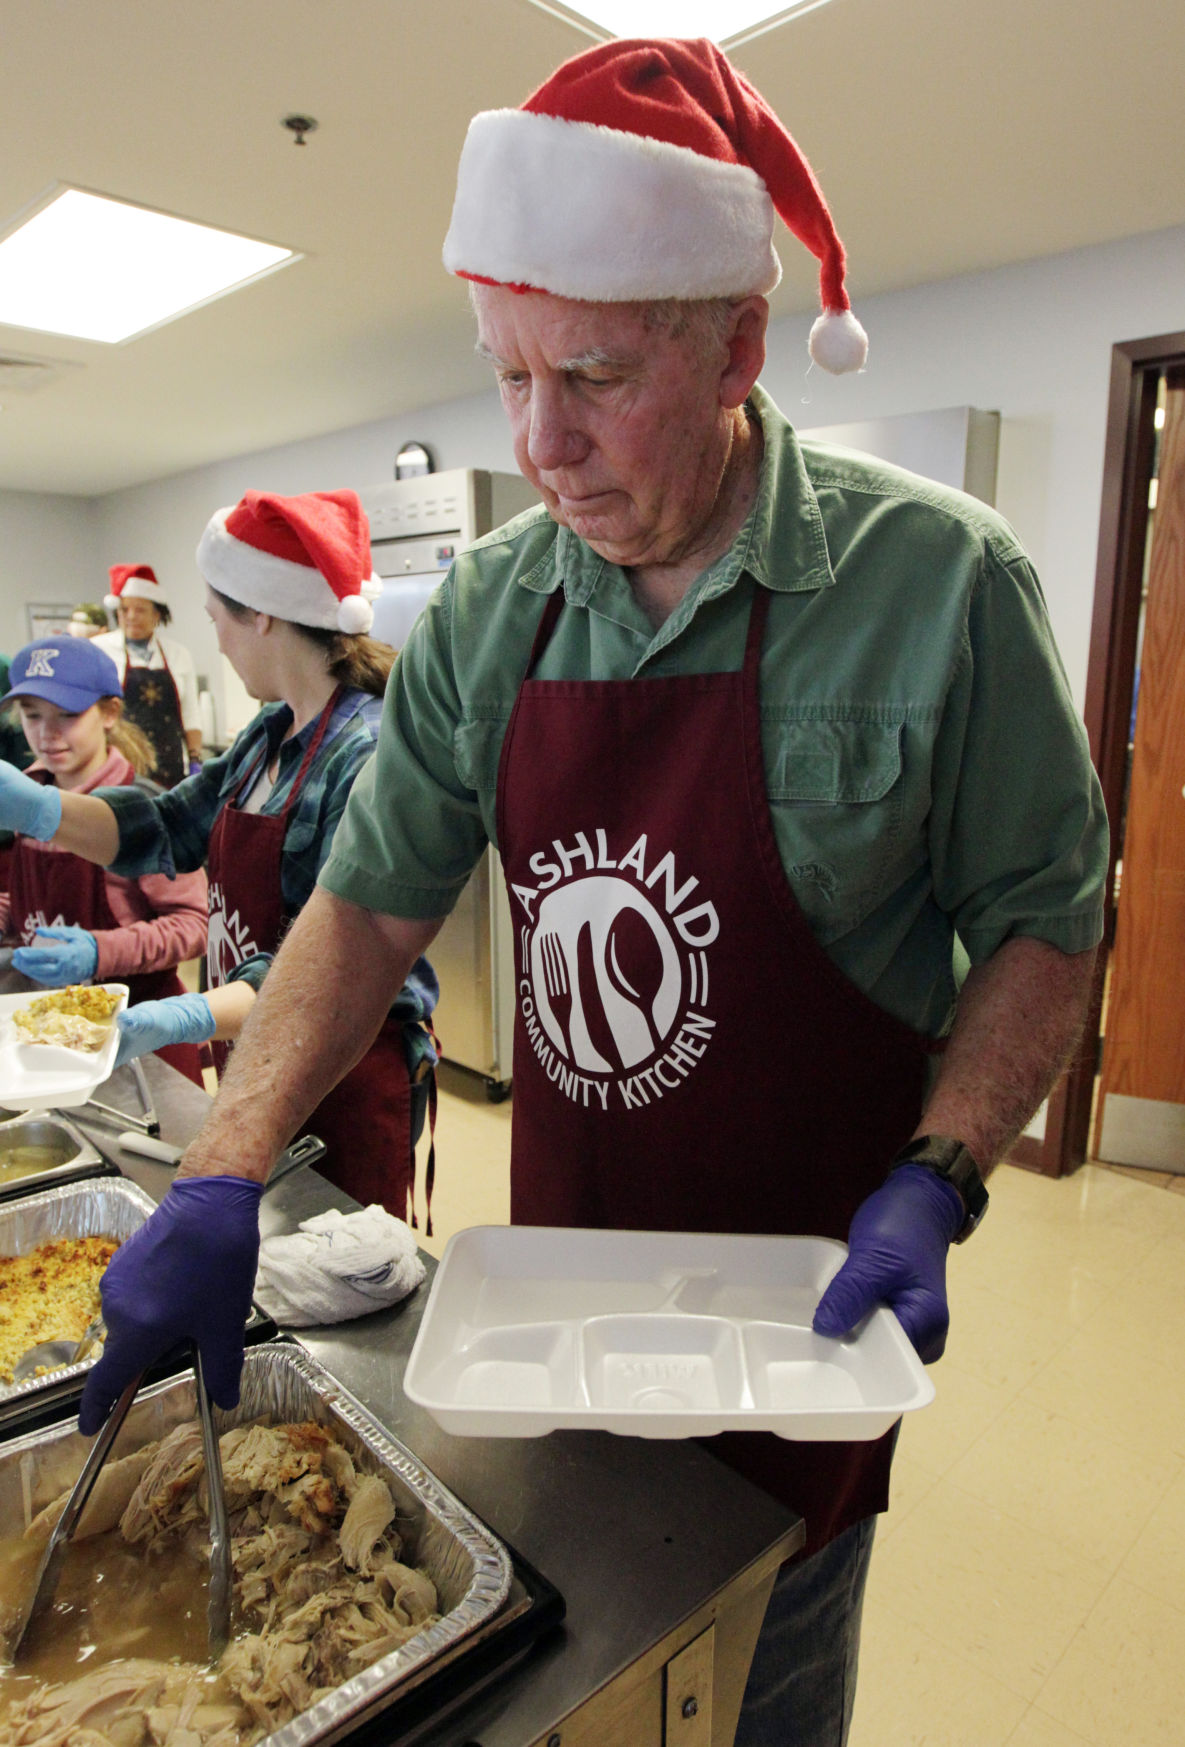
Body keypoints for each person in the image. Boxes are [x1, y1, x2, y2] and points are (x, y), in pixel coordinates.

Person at [21, 39, 1107, 1747]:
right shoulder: (494, 610)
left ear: (736, 344)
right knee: (595, 1661)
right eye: (509, 375)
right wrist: (224, 1166)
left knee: (770, 1674)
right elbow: (369, 906)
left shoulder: (938, 587)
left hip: (809, 1318)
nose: (542, 443)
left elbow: (1051, 914)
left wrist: (944, 1167)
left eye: (593, 375)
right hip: (559, 1315)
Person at [0, 490, 438, 1219]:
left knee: (335, 1254)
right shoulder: (270, 732)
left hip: (343, 1070)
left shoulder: (363, 755)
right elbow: (165, 828)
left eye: (217, 619)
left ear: (260, 614)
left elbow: (332, 965)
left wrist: (177, 1018)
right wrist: (40, 808)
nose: (220, 641)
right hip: (259, 1047)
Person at [0, 636, 208, 1084]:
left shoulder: (144, 810)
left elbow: (193, 925)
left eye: (68, 715)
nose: (47, 734)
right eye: (32, 715)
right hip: (54, 1031)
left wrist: (100, 952)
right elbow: (28, 902)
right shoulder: (22, 801)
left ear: (110, 713)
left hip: (143, 1038)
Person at [93, 565, 203, 785]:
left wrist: (195, 759)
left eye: (140, 610)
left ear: (157, 614)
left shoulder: (178, 654)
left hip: (171, 764)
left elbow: (190, 713)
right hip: (120, 765)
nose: (131, 617)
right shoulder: (99, 650)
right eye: (124, 610)